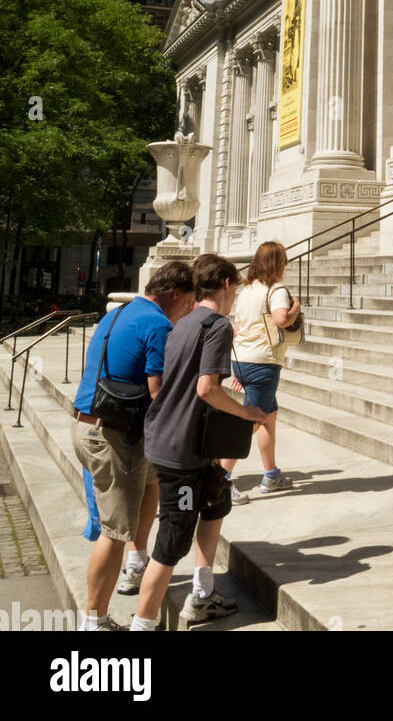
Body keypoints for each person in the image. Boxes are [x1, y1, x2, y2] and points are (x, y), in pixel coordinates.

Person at [130, 254, 267, 631]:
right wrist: (247, 413)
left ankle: (203, 592)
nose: (236, 294)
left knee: (216, 500)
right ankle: (142, 625)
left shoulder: (184, 320)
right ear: (226, 285)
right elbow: (206, 388)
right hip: (181, 451)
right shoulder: (217, 325)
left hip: (174, 440)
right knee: (172, 543)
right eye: (235, 287)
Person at [71, 261, 196, 631]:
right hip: (113, 437)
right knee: (114, 533)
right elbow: (159, 392)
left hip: (90, 423)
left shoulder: (122, 311)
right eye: (189, 302)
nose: (189, 309)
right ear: (176, 294)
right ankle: (93, 622)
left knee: (150, 486)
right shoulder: (157, 323)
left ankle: (137, 561)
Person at [221, 240, 301, 503]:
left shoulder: (248, 290)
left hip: (241, 359)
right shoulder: (276, 289)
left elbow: (237, 325)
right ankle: (219, 480)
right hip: (263, 362)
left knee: (269, 416)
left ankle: (271, 473)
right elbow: (281, 320)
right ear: (279, 263)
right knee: (252, 421)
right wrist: (295, 309)